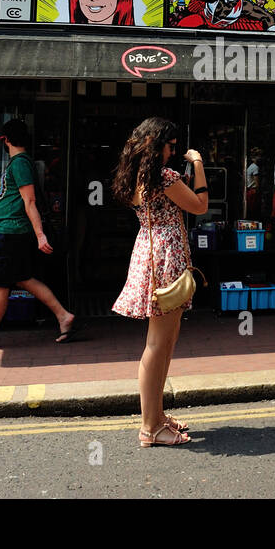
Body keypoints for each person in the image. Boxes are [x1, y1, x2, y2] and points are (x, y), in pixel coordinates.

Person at [111, 118, 208, 447]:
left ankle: (157, 415)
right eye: (170, 146)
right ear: (156, 145)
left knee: (165, 341)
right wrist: (198, 164)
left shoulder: (137, 176)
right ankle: (150, 427)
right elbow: (200, 206)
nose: (173, 152)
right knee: (157, 344)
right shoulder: (164, 177)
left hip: (149, 251)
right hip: (166, 256)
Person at [0, 119, 78, 351]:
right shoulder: (19, 163)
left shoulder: (20, 163)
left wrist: (40, 235)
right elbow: (17, 200)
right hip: (9, 229)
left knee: (1, 285)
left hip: (11, 235)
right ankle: (63, 315)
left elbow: (29, 201)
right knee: (23, 278)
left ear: (5, 140)